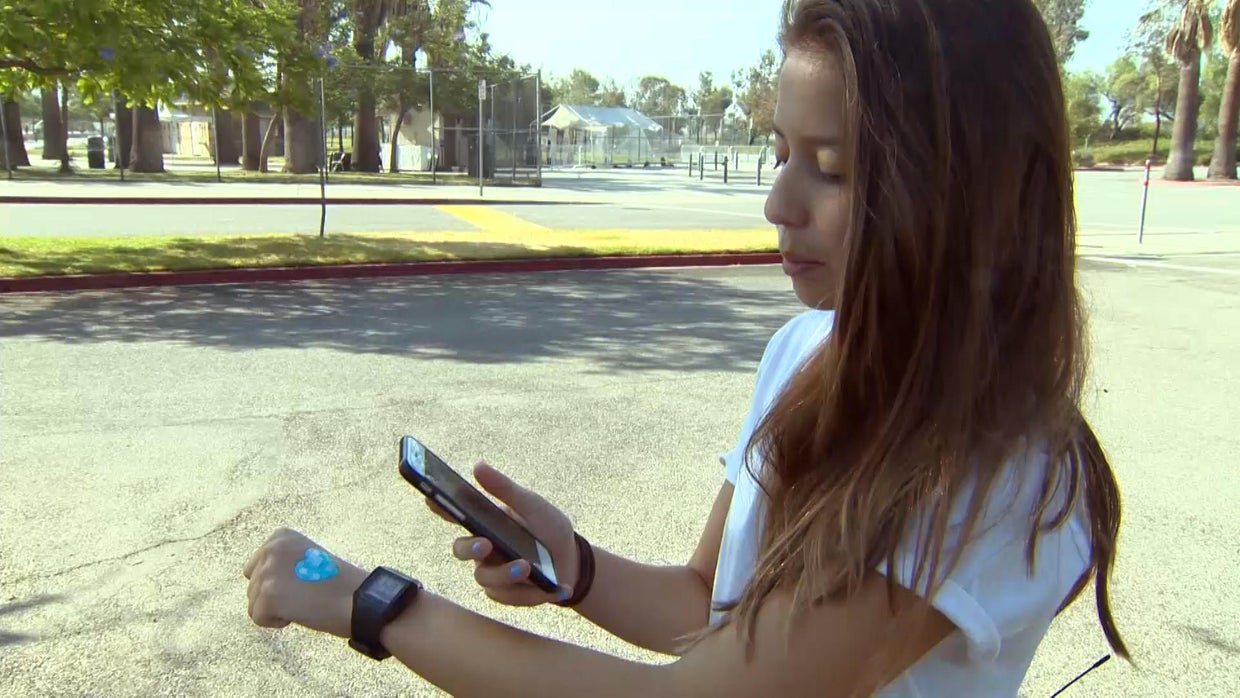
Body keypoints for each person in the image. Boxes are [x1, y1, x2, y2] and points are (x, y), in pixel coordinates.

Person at [242, 0, 1130, 695]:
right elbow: (706, 604)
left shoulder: (1001, 472)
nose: (780, 202)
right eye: (781, 150)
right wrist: (574, 567)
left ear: (971, 194)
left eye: (834, 166)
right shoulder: (802, 351)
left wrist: (365, 600)